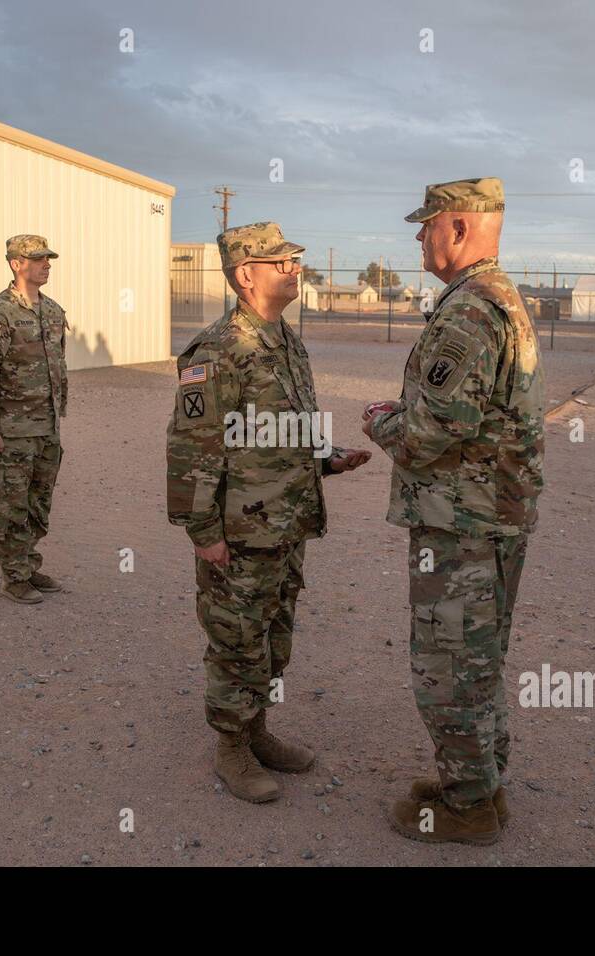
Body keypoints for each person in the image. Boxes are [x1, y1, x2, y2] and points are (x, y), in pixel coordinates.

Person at [363, 179, 544, 843]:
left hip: (461, 522)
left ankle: (467, 807)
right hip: (490, 516)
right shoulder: (498, 299)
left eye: (427, 224)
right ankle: (483, 786)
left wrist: (379, 420)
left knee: (445, 666)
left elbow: (427, 434)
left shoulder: (469, 311)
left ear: (460, 228)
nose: (419, 236)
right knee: (478, 659)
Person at [167, 221, 372, 803]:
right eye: (280, 262)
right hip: (239, 528)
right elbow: (191, 446)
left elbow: (283, 429)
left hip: (287, 521)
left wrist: (327, 460)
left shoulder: (285, 338)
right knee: (236, 638)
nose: (293, 268)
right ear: (245, 274)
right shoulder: (217, 350)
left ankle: (258, 731)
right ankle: (231, 745)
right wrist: (203, 531)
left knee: (275, 634)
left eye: (295, 260)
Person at [0, 235, 70, 604]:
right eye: (38, 259)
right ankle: (12, 575)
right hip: (11, 431)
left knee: (39, 500)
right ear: (16, 264)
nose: (47, 264)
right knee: (13, 502)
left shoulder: (54, 311)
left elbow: (59, 368)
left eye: (48, 259)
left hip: (46, 427)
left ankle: (27, 562)